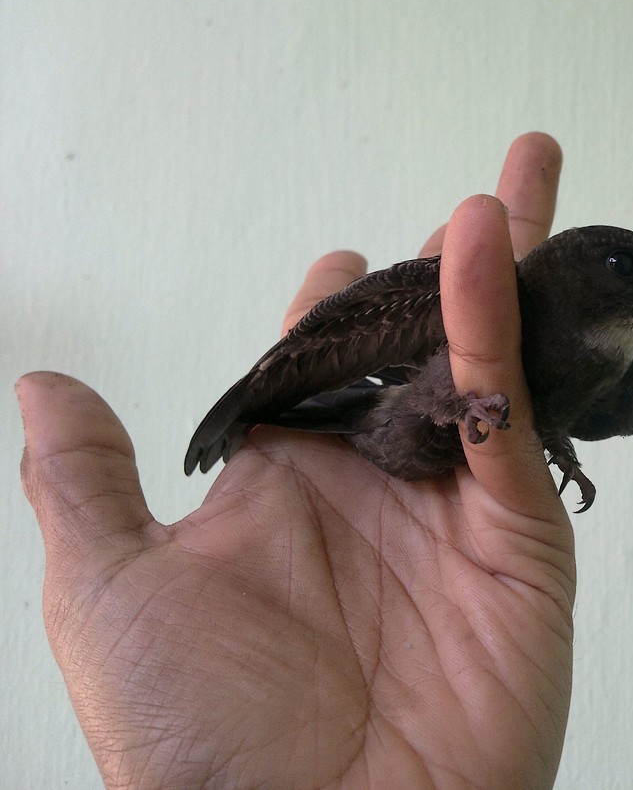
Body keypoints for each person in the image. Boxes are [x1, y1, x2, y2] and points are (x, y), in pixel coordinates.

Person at [17, 133, 575, 788]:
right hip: (391, 429)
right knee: (442, 311)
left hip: (434, 481)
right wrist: (273, 393)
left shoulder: (593, 363)